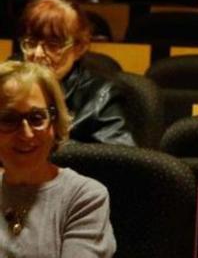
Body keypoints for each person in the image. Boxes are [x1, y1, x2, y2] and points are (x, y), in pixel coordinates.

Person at [0, 60, 116, 256]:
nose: (26, 134)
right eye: (9, 119)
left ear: (54, 123)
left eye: (37, 118)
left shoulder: (85, 198)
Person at [16, 0, 134, 146]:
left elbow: (122, 160)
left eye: (53, 44)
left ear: (79, 47)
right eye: (31, 43)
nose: (38, 54)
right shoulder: (8, 86)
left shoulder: (101, 95)